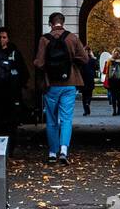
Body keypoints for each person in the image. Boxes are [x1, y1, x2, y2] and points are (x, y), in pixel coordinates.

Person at [33, 11, 88, 163]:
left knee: (51, 119)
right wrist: (71, 60)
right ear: (63, 23)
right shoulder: (72, 38)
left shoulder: (44, 40)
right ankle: (64, 150)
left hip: (51, 85)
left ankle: (52, 152)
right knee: (66, 119)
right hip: (69, 83)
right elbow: (85, 58)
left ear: (50, 24)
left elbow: (40, 62)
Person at [0, 26, 28, 152]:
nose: (1, 40)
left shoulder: (14, 53)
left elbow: (24, 72)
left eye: (4, 37)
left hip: (11, 93)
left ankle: (10, 147)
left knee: (11, 123)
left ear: (8, 39)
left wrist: (17, 86)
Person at [104, 49, 120, 115]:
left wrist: (107, 79)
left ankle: (114, 110)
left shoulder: (109, 61)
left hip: (112, 80)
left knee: (113, 96)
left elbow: (107, 71)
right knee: (119, 96)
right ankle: (118, 109)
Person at [80, 48, 98, 116]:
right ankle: (88, 102)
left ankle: (85, 110)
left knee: (84, 95)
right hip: (90, 78)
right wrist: (93, 58)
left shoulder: (81, 60)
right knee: (89, 93)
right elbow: (96, 67)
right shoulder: (92, 60)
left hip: (83, 78)